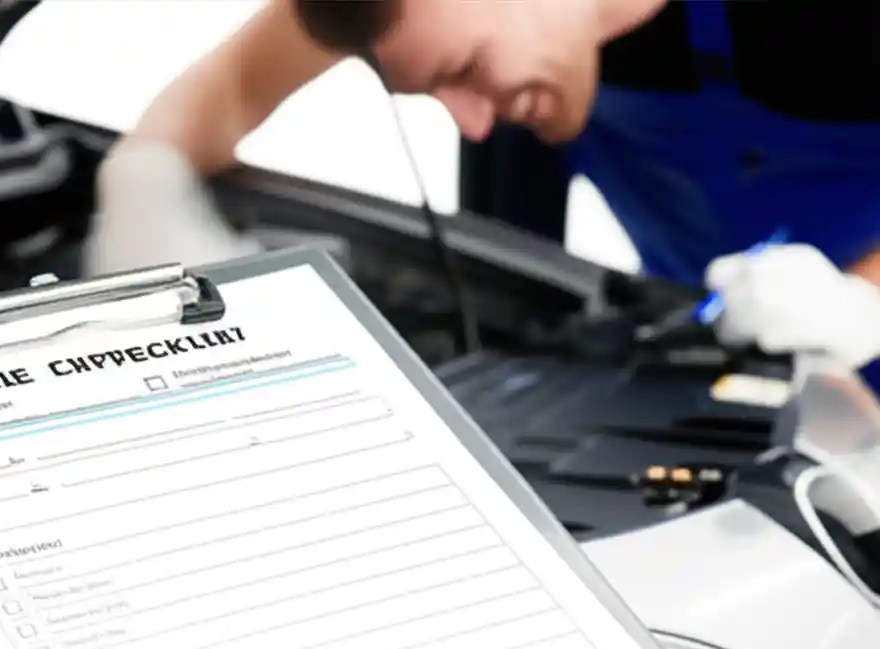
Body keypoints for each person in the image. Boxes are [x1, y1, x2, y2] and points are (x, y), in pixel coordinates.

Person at [83, 0, 880, 380]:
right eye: (431, 94)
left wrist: (862, 302)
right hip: (750, 346)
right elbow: (225, 89)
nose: (471, 124)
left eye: (464, 72)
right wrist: (146, 178)